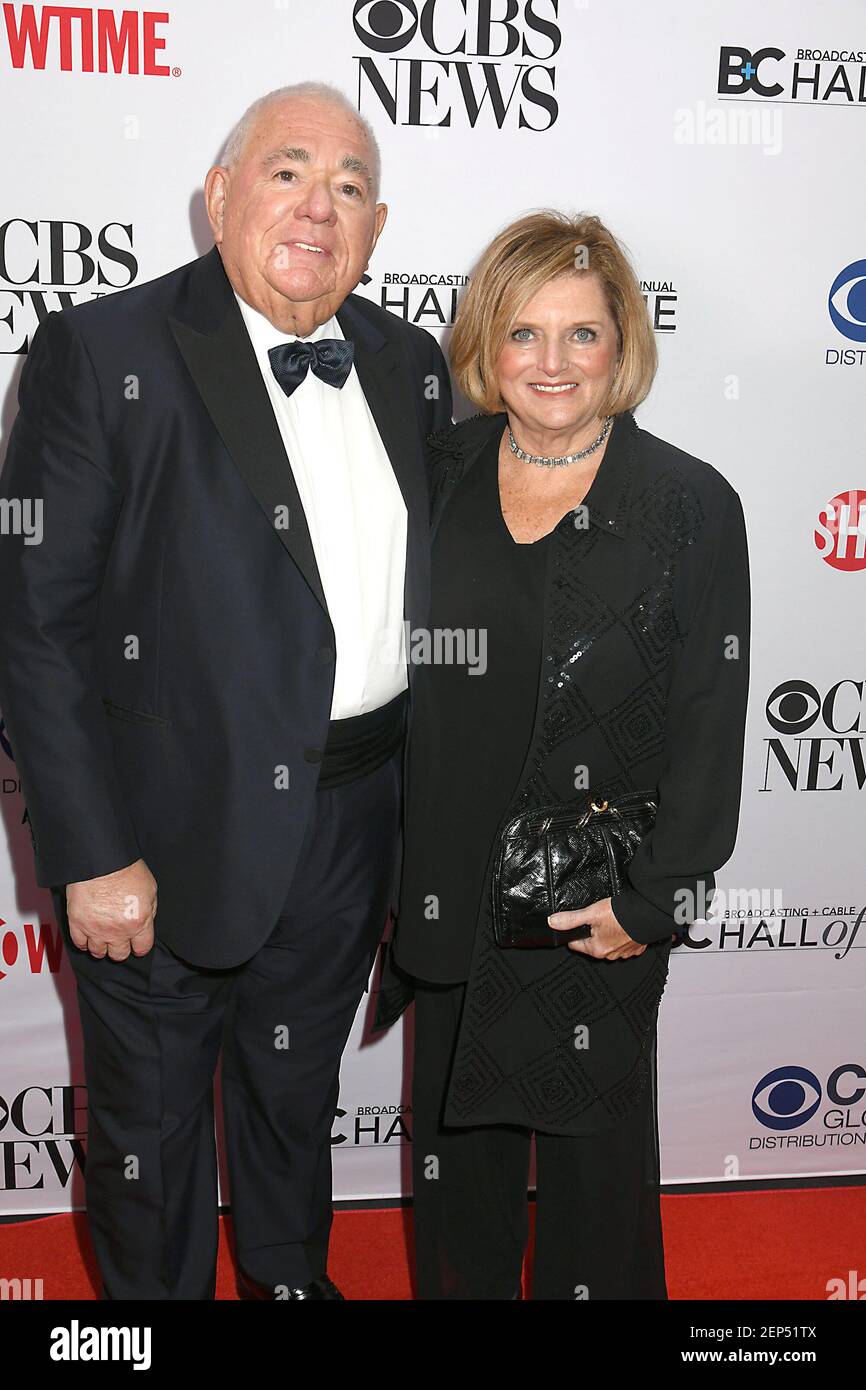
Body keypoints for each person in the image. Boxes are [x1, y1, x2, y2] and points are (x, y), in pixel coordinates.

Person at [0, 82, 451, 1300]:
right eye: (288, 169)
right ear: (218, 195)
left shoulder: (410, 363)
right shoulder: (104, 352)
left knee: (293, 1111)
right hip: (161, 831)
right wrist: (90, 854)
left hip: (357, 823)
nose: (319, 204)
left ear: (379, 223)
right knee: (147, 1140)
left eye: (350, 185)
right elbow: (35, 624)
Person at [374, 210, 751, 1299]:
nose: (550, 363)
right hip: (447, 882)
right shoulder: (436, 473)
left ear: (620, 343)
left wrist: (656, 895)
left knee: (596, 1186)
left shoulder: (685, 502)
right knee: (458, 1184)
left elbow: (707, 714)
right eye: (523, 334)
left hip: (590, 898)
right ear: (486, 344)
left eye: (580, 335)